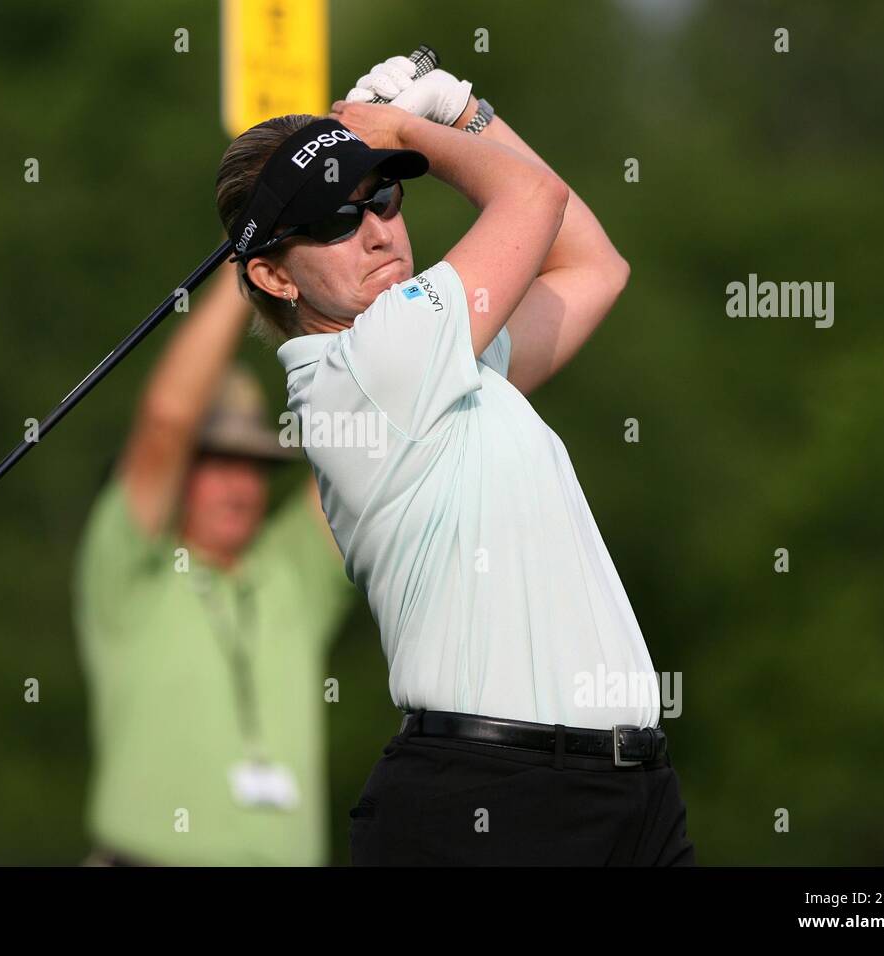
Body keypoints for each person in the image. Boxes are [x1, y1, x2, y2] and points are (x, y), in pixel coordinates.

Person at [213, 54, 696, 865]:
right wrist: (419, 126)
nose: (376, 230)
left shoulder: (440, 362)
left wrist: (463, 114)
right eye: (333, 220)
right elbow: (533, 201)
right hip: (494, 799)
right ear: (272, 274)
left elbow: (592, 267)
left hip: (630, 794)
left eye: (384, 197)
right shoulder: (368, 367)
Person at [72, 263, 354, 866]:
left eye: (253, 466)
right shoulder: (127, 570)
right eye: (217, 462)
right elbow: (167, 422)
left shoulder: (291, 573)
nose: (240, 486)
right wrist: (248, 259)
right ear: (178, 474)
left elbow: (379, 439)